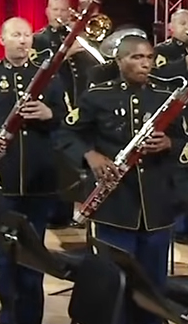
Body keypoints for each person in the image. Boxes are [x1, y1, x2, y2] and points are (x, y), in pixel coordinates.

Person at [57, 35, 185, 324]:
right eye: (136, 57)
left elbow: (182, 139)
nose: (145, 64)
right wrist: (90, 155)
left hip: (156, 209)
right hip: (114, 208)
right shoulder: (97, 96)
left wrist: (169, 144)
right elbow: (66, 134)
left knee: (152, 289)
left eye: (149, 58)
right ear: (119, 61)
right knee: (112, 287)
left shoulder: (166, 96)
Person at [0, 17, 66, 324]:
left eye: (27, 35)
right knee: (5, 259)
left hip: (39, 181)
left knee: (34, 261)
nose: (23, 40)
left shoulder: (48, 76)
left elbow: (67, 119)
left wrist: (49, 114)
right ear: (2, 39)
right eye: (16, 34)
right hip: (0, 179)